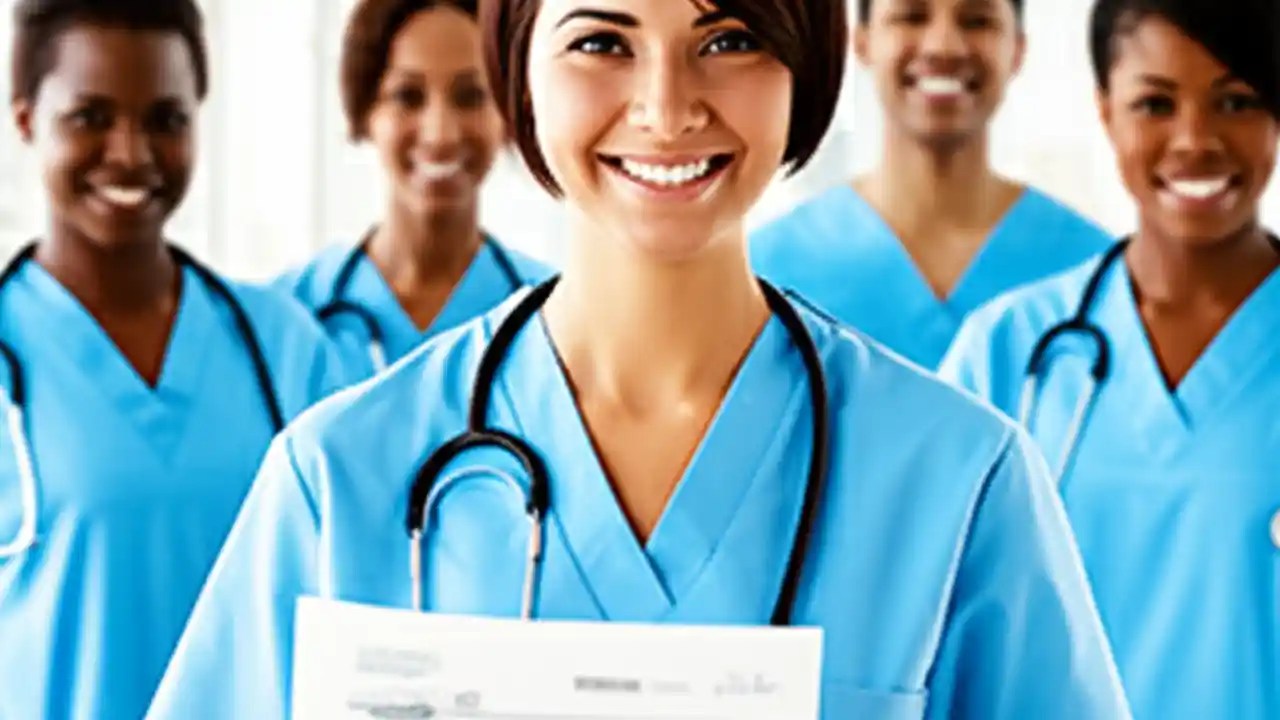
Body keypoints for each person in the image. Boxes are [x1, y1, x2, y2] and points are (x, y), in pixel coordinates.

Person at [147, 1, 1129, 718]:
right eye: (601, 43)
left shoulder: (958, 479)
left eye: (728, 39)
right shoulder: (338, 478)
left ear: (809, 65)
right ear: (519, 69)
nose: (665, 107)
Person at [0, 1, 352, 718]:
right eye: (90, 116)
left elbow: (356, 594)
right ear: (28, 119)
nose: (130, 153)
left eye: (165, 119)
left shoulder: (284, 347)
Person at [940, 0, 1280, 716]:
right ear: (1105, 112)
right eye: (1155, 103)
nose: (1196, 139)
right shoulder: (1010, 349)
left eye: (1238, 101)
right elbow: (926, 614)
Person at [751, 0, 1113, 369]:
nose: (944, 46)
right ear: (861, 42)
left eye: (977, 21)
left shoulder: (1098, 272)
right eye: (911, 17)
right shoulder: (763, 271)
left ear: (1017, 49)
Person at [273, 0, 552, 377]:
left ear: (506, 114)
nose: (440, 134)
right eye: (407, 96)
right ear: (365, 111)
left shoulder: (551, 315)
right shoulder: (286, 313)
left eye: (471, 96)